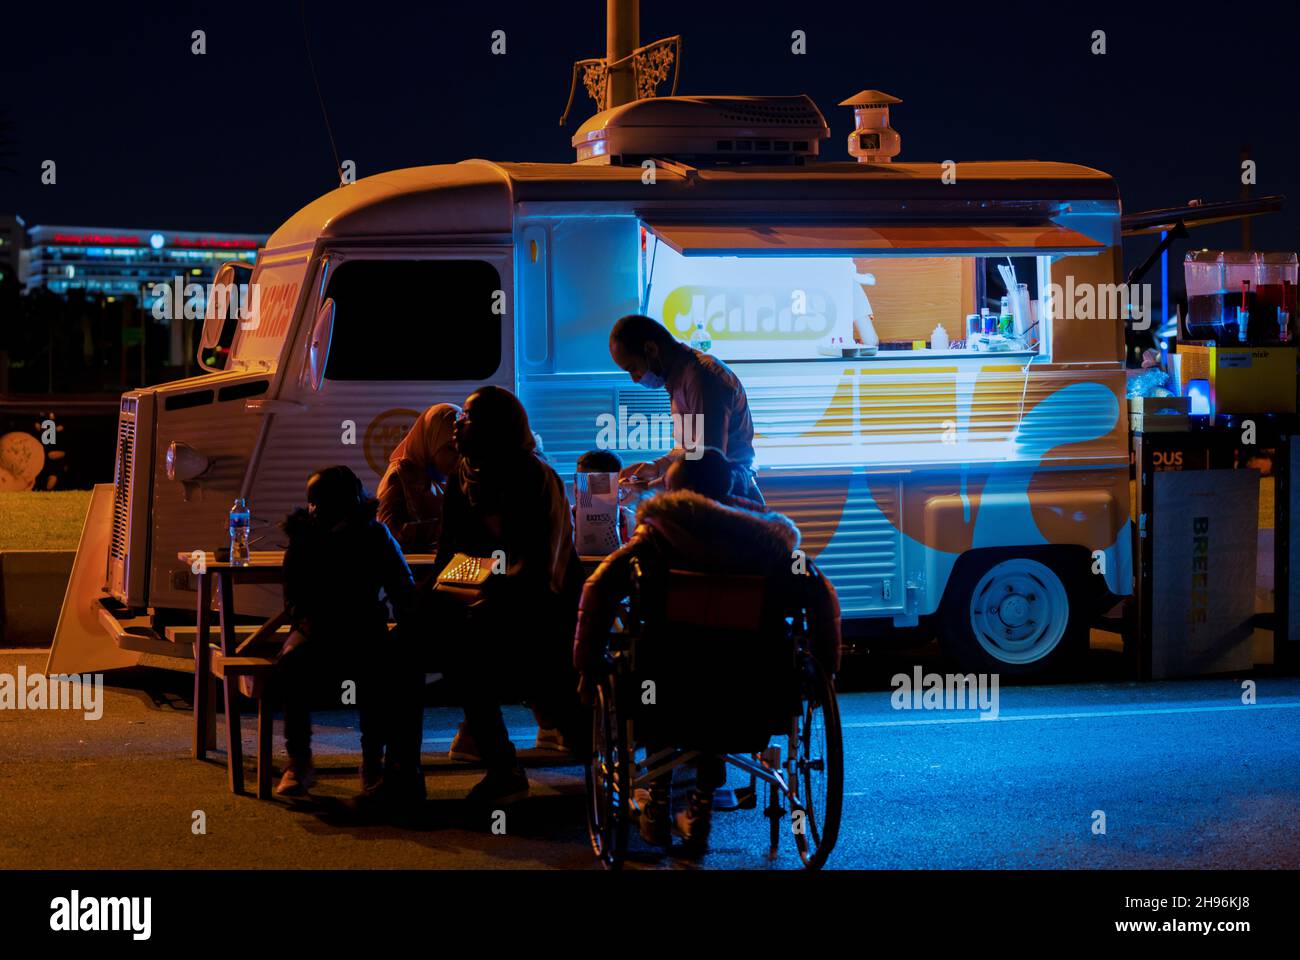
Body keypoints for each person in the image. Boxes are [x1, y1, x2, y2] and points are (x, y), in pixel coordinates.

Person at [573, 446, 840, 857]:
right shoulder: (771, 543)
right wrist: (826, 667)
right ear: (731, 487)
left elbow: (599, 589)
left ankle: (658, 798)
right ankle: (699, 805)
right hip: (752, 698)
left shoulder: (656, 537)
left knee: (653, 669)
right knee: (721, 677)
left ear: (673, 488)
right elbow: (821, 598)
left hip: (664, 695)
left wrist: (587, 665)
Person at [430, 386, 585, 805]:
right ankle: (491, 767)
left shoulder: (535, 478)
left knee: (538, 682)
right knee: (420, 639)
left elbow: (541, 564)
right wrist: (441, 597)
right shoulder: (462, 475)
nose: (457, 426)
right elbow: (452, 553)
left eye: (467, 417)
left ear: (497, 428)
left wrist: (488, 593)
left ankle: (588, 769)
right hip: (487, 596)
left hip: (542, 605)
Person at [274, 466, 420, 805]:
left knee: (379, 666)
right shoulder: (304, 537)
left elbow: (403, 590)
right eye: (312, 502)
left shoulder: (375, 535)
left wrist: (404, 626)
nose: (314, 509)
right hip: (317, 630)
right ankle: (299, 761)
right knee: (292, 664)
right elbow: (293, 599)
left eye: (322, 502)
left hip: (361, 629)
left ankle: (373, 762)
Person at [608, 313, 762, 504]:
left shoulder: (703, 378)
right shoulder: (677, 379)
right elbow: (691, 450)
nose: (635, 378)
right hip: (714, 495)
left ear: (651, 349)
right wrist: (656, 467)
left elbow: (707, 463)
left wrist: (649, 488)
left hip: (733, 497)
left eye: (632, 368)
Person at [376, 403, 461, 550]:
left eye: (459, 447)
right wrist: (444, 528)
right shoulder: (398, 477)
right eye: (448, 448)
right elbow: (389, 532)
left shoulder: (445, 479)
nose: (457, 456)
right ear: (430, 441)